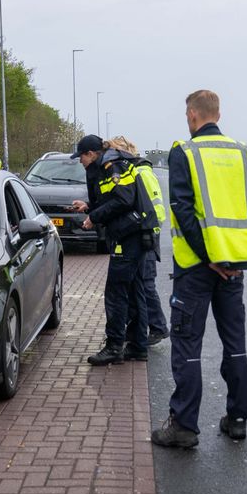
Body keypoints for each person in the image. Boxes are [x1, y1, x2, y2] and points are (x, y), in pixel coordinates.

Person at [151, 89, 247, 449]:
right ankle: (237, 419)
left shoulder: (184, 153)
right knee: (235, 344)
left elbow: (183, 211)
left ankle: (184, 426)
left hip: (195, 269)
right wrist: (234, 258)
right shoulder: (246, 154)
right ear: (218, 113)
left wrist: (209, 257)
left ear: (192, 115)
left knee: (187, 345)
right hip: (233, 270)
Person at [69, 134, 157, 366]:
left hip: (129, 236)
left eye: (82, 157)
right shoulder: (109, 165)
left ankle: (114, 347)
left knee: (116, 292)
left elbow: (124, 200)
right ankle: (138, 346)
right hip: (135, 234)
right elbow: (113, 197)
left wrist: (93, 217)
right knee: (136, 289)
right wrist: (90, 206)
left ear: (91, 154)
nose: (80, 162)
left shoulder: (112, 165)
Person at [106, 135, 170, 347]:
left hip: (146, 236)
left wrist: (146, 230)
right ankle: (139, 328)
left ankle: (158, 327)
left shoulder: (141, 172)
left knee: (146, 284)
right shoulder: (132, 171)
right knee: (140, 285)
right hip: (142, 234)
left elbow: (156, 208)